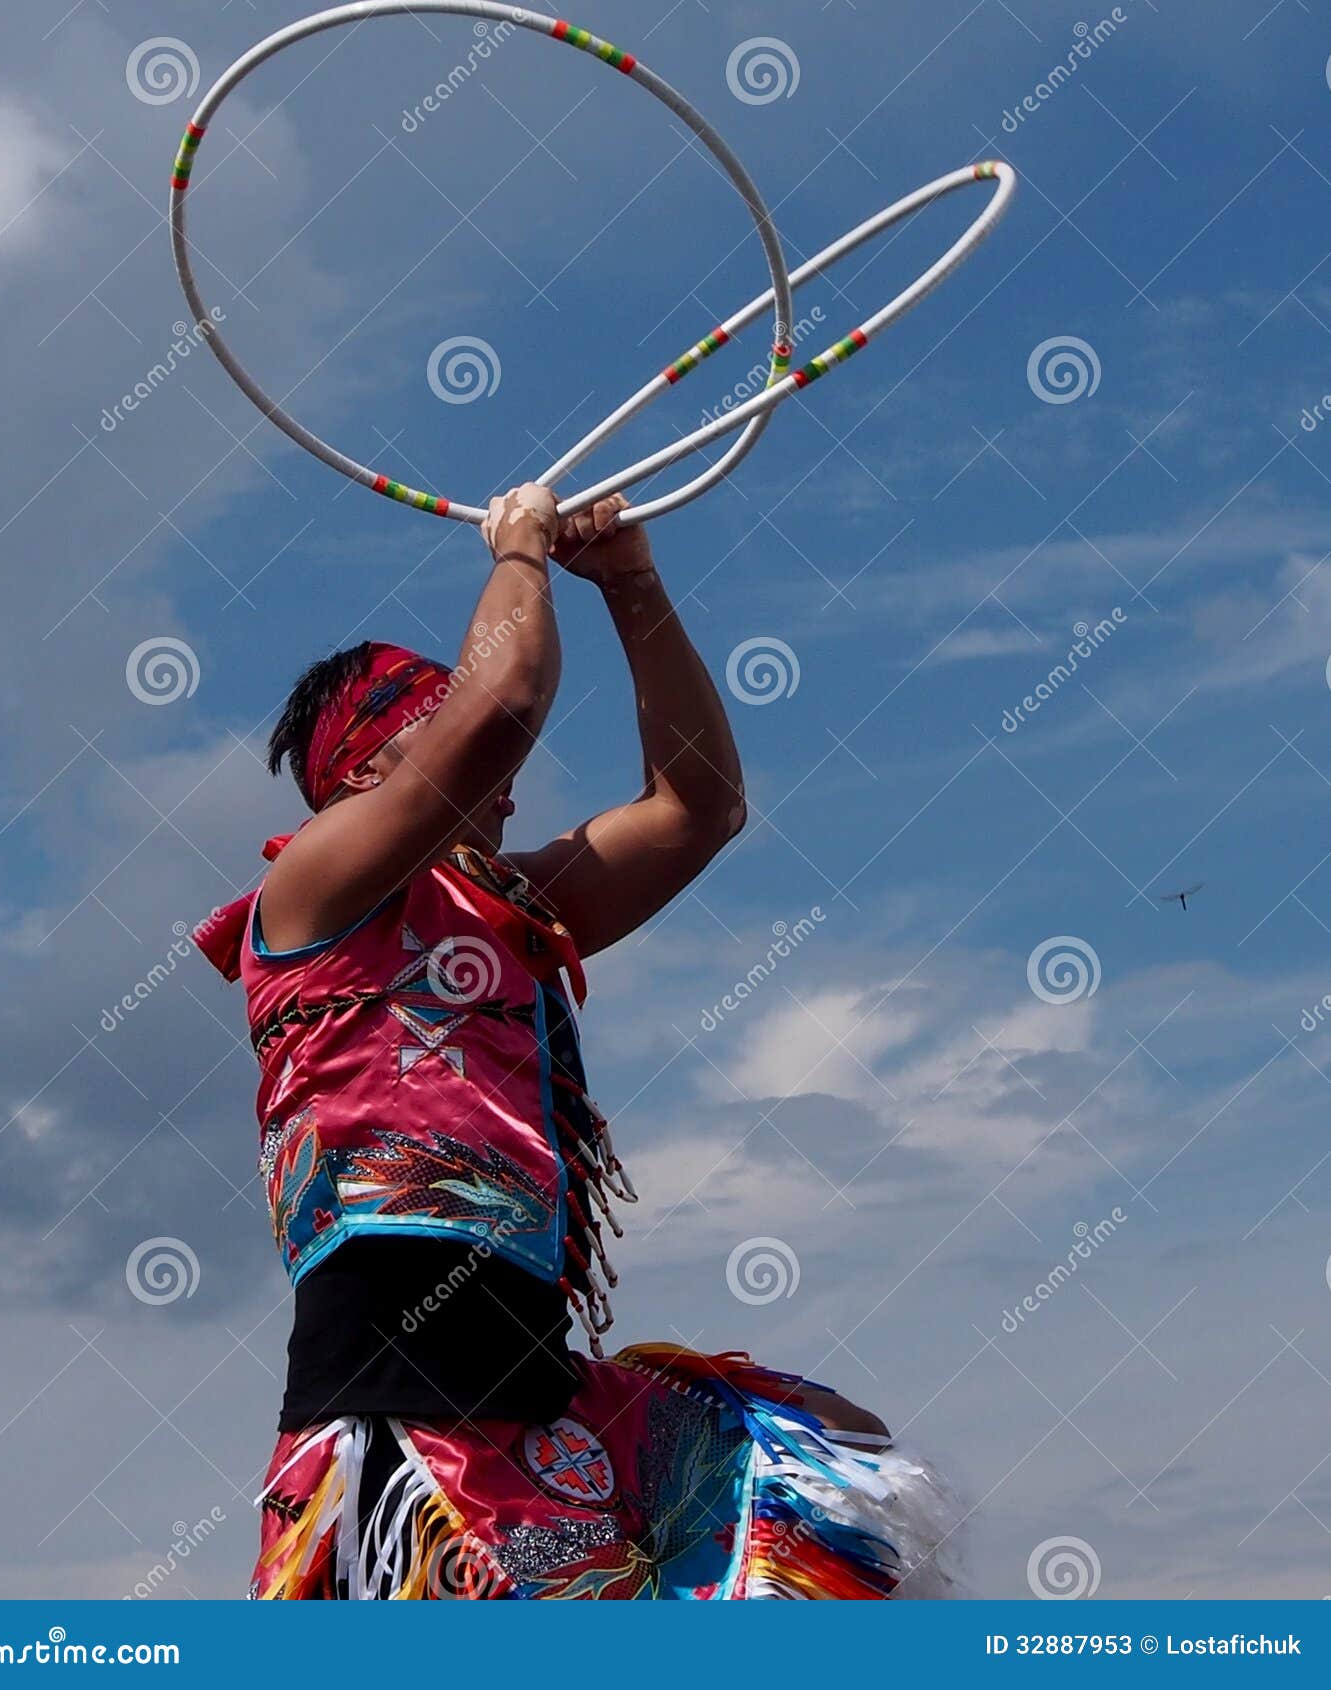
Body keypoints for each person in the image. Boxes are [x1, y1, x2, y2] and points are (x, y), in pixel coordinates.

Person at [194, 485, 949, 1599]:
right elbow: (502, 702)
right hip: (404, 1405)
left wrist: (633, 585)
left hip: (532, 1391)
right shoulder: (308, 897)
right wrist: (519, 552)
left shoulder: (514, 915)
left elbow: (696, 807)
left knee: (826, 1452)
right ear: (363, 780)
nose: (506, 787)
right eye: (438, 737)